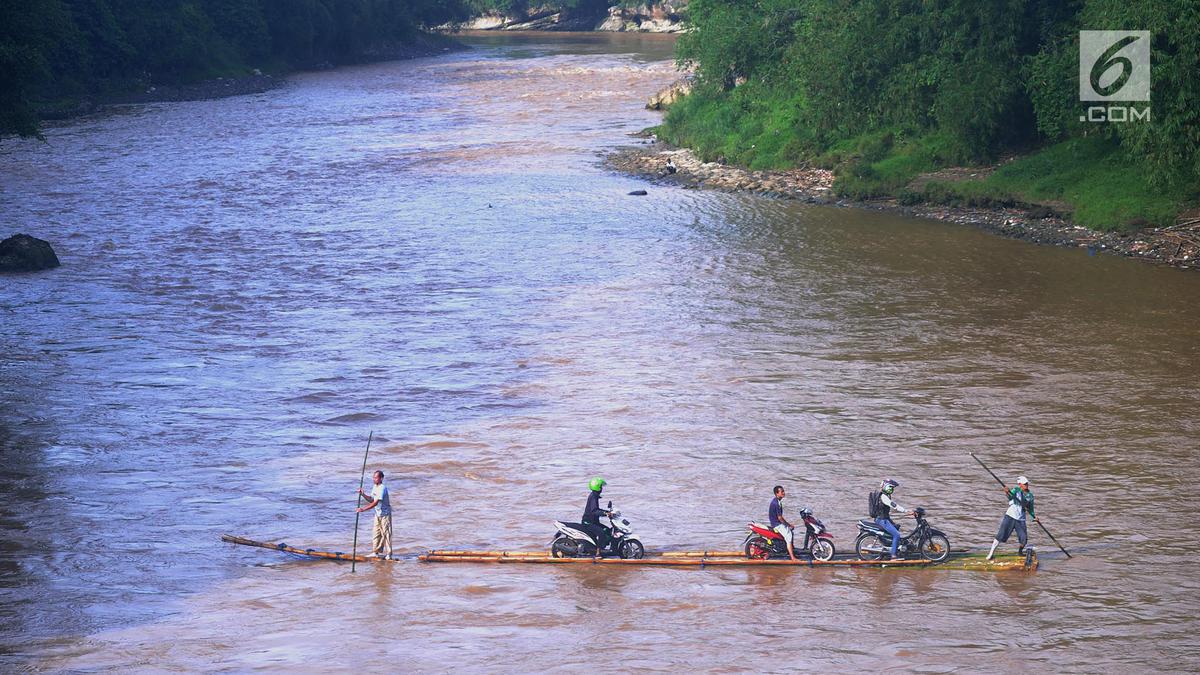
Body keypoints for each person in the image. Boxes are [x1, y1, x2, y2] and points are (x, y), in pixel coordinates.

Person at [987, 475, 1036, 560]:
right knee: (1000, 535)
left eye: (1027, 484)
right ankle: (991, 553)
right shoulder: (1016, 490)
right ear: (1020, 484)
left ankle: (1020, 552)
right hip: (1010, 516)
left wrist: (1034, 517)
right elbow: (1010, 497)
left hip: (1021, 519)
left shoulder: (1030, 495)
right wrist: (1006, 492)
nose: (1026, 485)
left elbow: (1031, 508)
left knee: (1024, 539)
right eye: (1024, 484)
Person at [870, 478, 913, 560]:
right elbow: (894, 506)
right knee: (896, 534)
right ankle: (893, 555)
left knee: (896, 527)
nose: (892, 489)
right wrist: (906, 511)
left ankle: (892, 546)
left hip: (885, 518)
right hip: (882, 520)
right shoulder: (884, 497)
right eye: (891, 487)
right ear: (886, 487)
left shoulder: (886, 495)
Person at [356, 470, 392, 559]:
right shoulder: (375, 487)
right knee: (376, 533)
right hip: (377, 514)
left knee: (386, 534)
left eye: (376, 477)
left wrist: (363, 509)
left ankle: (389, 554)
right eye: (373, 477)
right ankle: (376, 552)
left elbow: (376, 503)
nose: (374, 479)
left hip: (385, 515)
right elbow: (371, 499)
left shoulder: (382, 488)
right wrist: (363, 495)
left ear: (381, 478)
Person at [768, 485, 799, 561]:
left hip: (775, 523)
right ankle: (792, 557)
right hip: (777, 524)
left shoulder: (776, 501)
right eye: (781, 491)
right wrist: (788, 525)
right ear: (777, 493)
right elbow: (780, 518)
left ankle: (791, 550)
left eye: (783, 491)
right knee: (789, 536)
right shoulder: (776, 503)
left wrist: (788, 525)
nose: (783, 493)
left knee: (790, 532)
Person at [581, 477, 612, 550]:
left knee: (607, 530)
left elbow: (597, 510)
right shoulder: (593, 496)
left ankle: (604, 548)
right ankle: (598, 551)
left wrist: (607, 512)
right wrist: (605, 513)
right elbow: (594, 511)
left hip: (594, 522)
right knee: (601, 533)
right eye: (601, 486)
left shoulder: (595, 496)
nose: (602, 488)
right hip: (588, 523)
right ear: (597, 487)